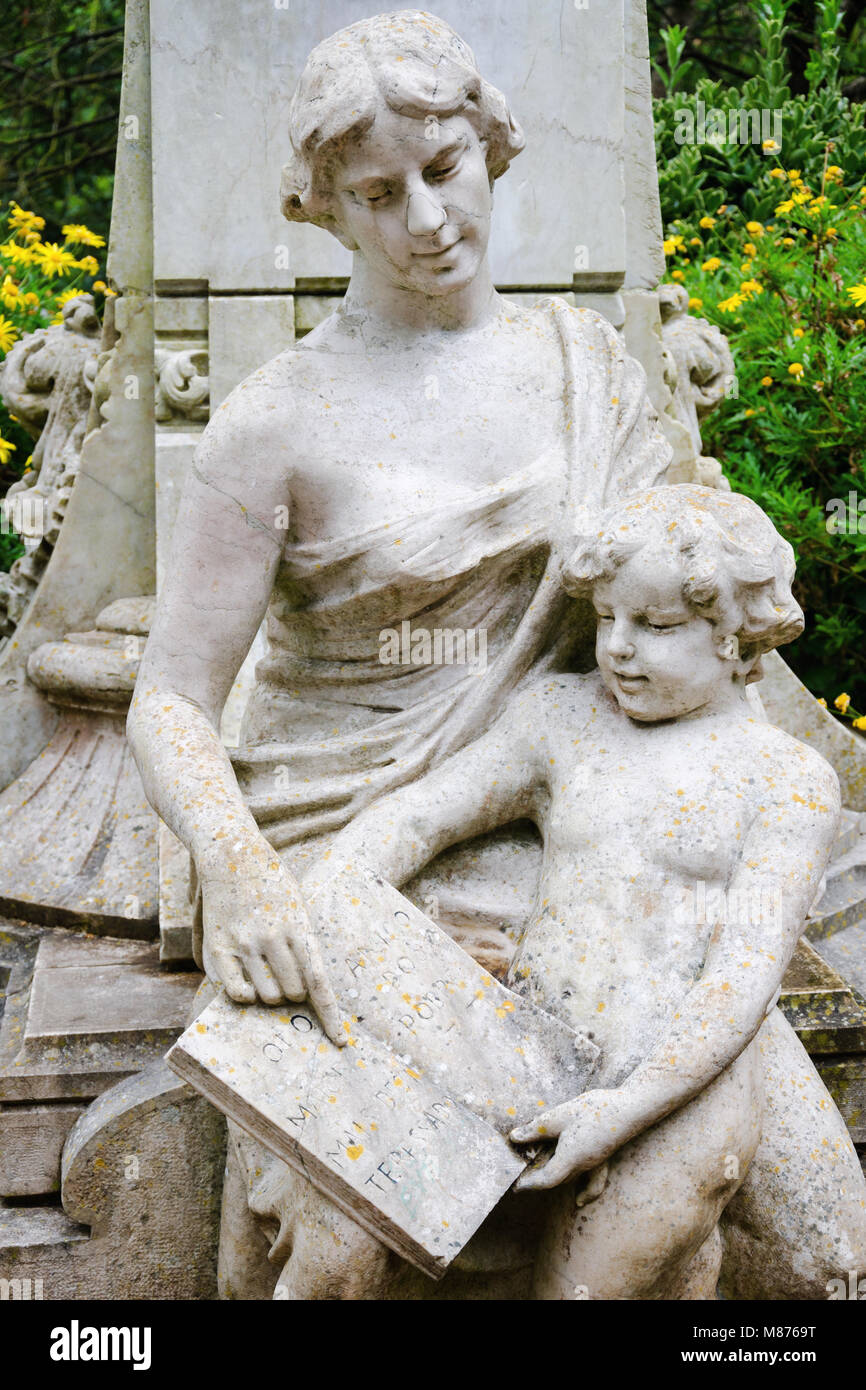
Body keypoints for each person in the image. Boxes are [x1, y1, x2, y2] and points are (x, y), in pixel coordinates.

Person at [127, 12, 865, 1299]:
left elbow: (694, 635)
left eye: (443, 167)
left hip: (580, 822)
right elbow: (170, 698)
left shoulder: (590, 372)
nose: (422, 215)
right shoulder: (274, 423)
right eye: (376, 191)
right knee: (363, 1231)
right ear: (327, 207)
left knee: (817, 1252)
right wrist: (236, 869)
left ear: (490, 147)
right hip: (346, 841)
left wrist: (746, 811)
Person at [293, 485, 861, 1298]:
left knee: (810, 1273)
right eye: (606, 620)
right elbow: (419, 818)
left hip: (678, 1076)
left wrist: (625, 1110)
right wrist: (341, 888)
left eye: (657, 627)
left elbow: (743, 974)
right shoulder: (561, 718)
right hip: (542, 1050)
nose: (621, 650)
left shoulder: (785, 781)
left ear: (740, 639)